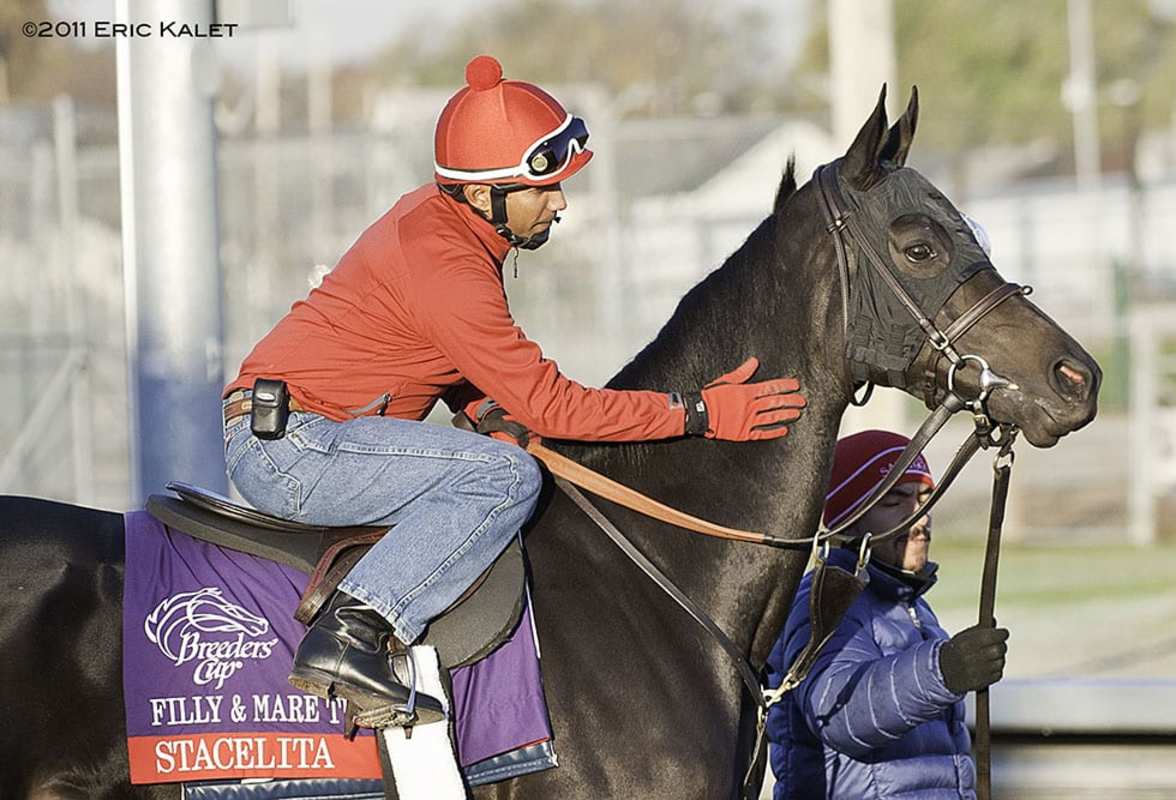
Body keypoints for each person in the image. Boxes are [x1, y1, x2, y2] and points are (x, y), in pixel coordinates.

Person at [220, 55, 808, 724]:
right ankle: (350, 634)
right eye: (545, 189)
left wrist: (488, 408)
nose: (559, 202)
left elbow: (441, 357)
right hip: (296, 449)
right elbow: (552, 404)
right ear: (483, 196)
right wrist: (697, 412)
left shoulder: (446, 228)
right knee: (506, 477)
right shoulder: (449, 265)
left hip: (303, 433)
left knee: (504, 456)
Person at [764, 430, 1009, 800]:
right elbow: (836, 713)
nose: (920, 517)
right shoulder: (821, 600)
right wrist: (946, 670)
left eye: (925, 498)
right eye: (895, 502)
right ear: (851, 518)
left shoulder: (911, 605)